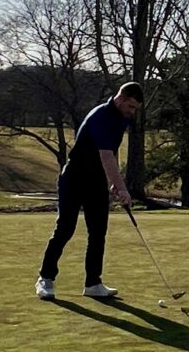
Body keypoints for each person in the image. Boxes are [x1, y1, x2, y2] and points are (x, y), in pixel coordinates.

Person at [36, 82, 143, 301]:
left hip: (96, 181)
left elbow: (112, 153)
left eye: (135, 109)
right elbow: (105, 156)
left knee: (98, 232)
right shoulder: (102, 116)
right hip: (74, 178)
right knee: (65, 228)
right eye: (131, 106)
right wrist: (122, 188)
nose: (132, 113)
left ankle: (93, 283)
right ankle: (45, 278)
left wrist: (113, 181)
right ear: (121, 99)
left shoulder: (121, 118)